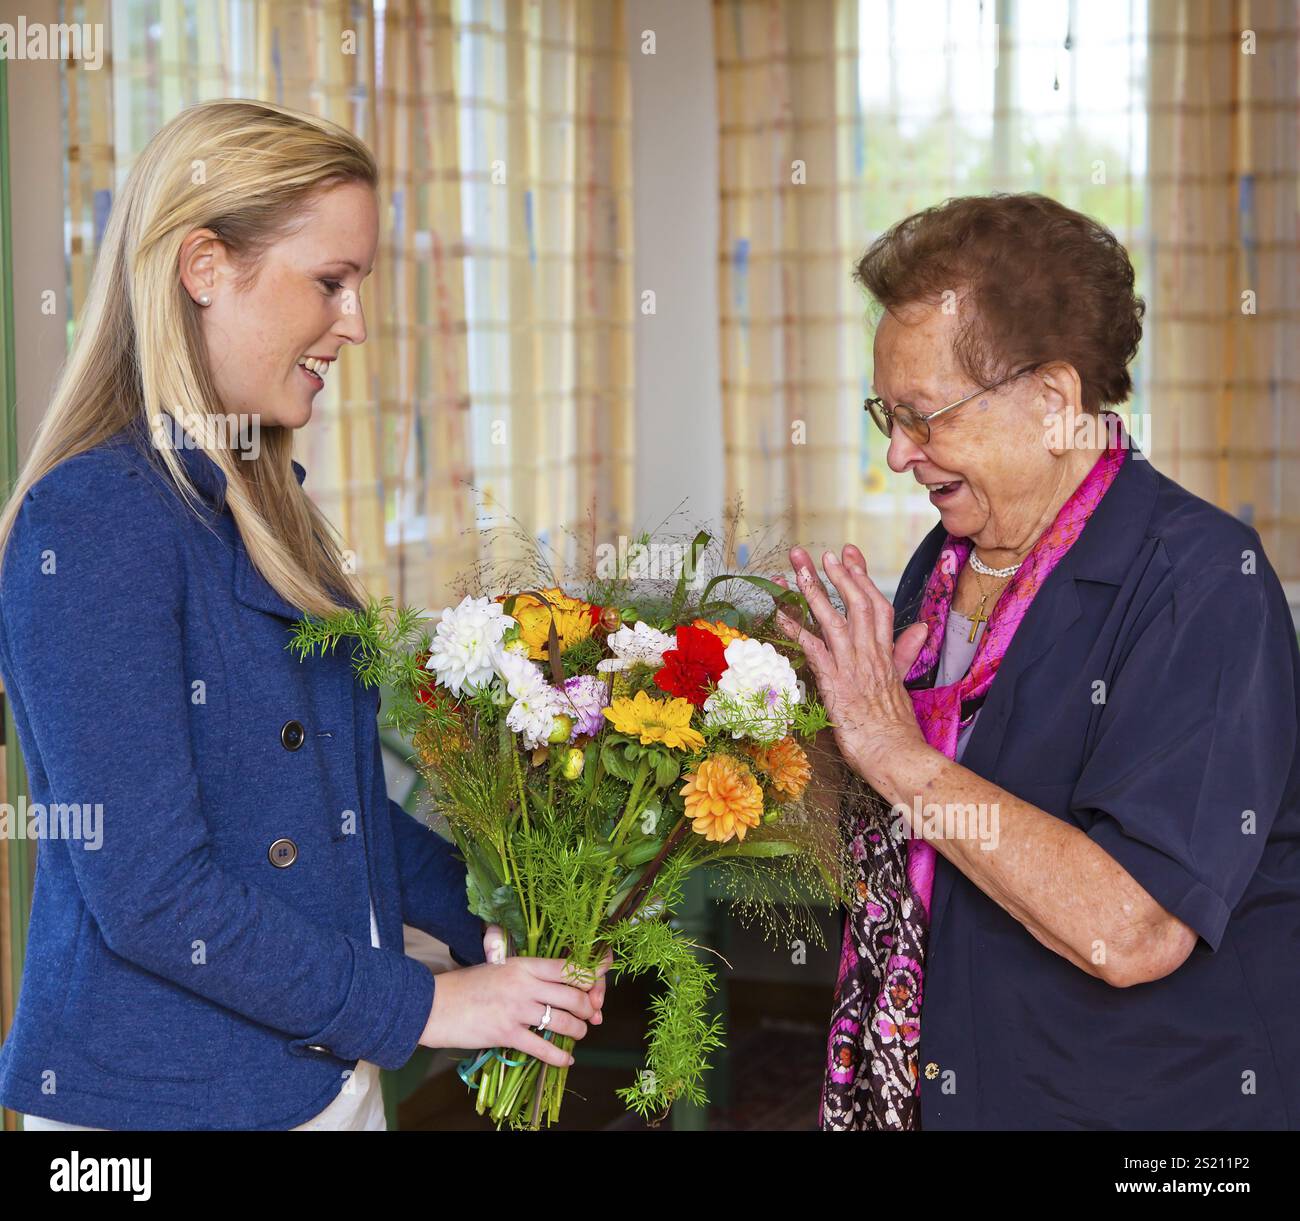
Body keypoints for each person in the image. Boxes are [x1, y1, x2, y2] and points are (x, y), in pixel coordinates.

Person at [0, 98, 605, 1131]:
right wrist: (427, 1004)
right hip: (162, 1102)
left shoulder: (268, 510)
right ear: (203, 267)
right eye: (330, 281)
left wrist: (498, 915)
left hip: (320, 1075)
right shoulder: (95, 518)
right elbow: (152, 895)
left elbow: (338, 819)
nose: (355, 323)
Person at [777, 193, 1299, 1131]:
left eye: (924, 417)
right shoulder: (940, 573)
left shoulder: (1202, 581)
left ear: (1054, 402)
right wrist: (813, 725)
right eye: (883, 415)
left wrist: (899, 751)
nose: (898, 455)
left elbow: (1134, 927)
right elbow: (903, 825)